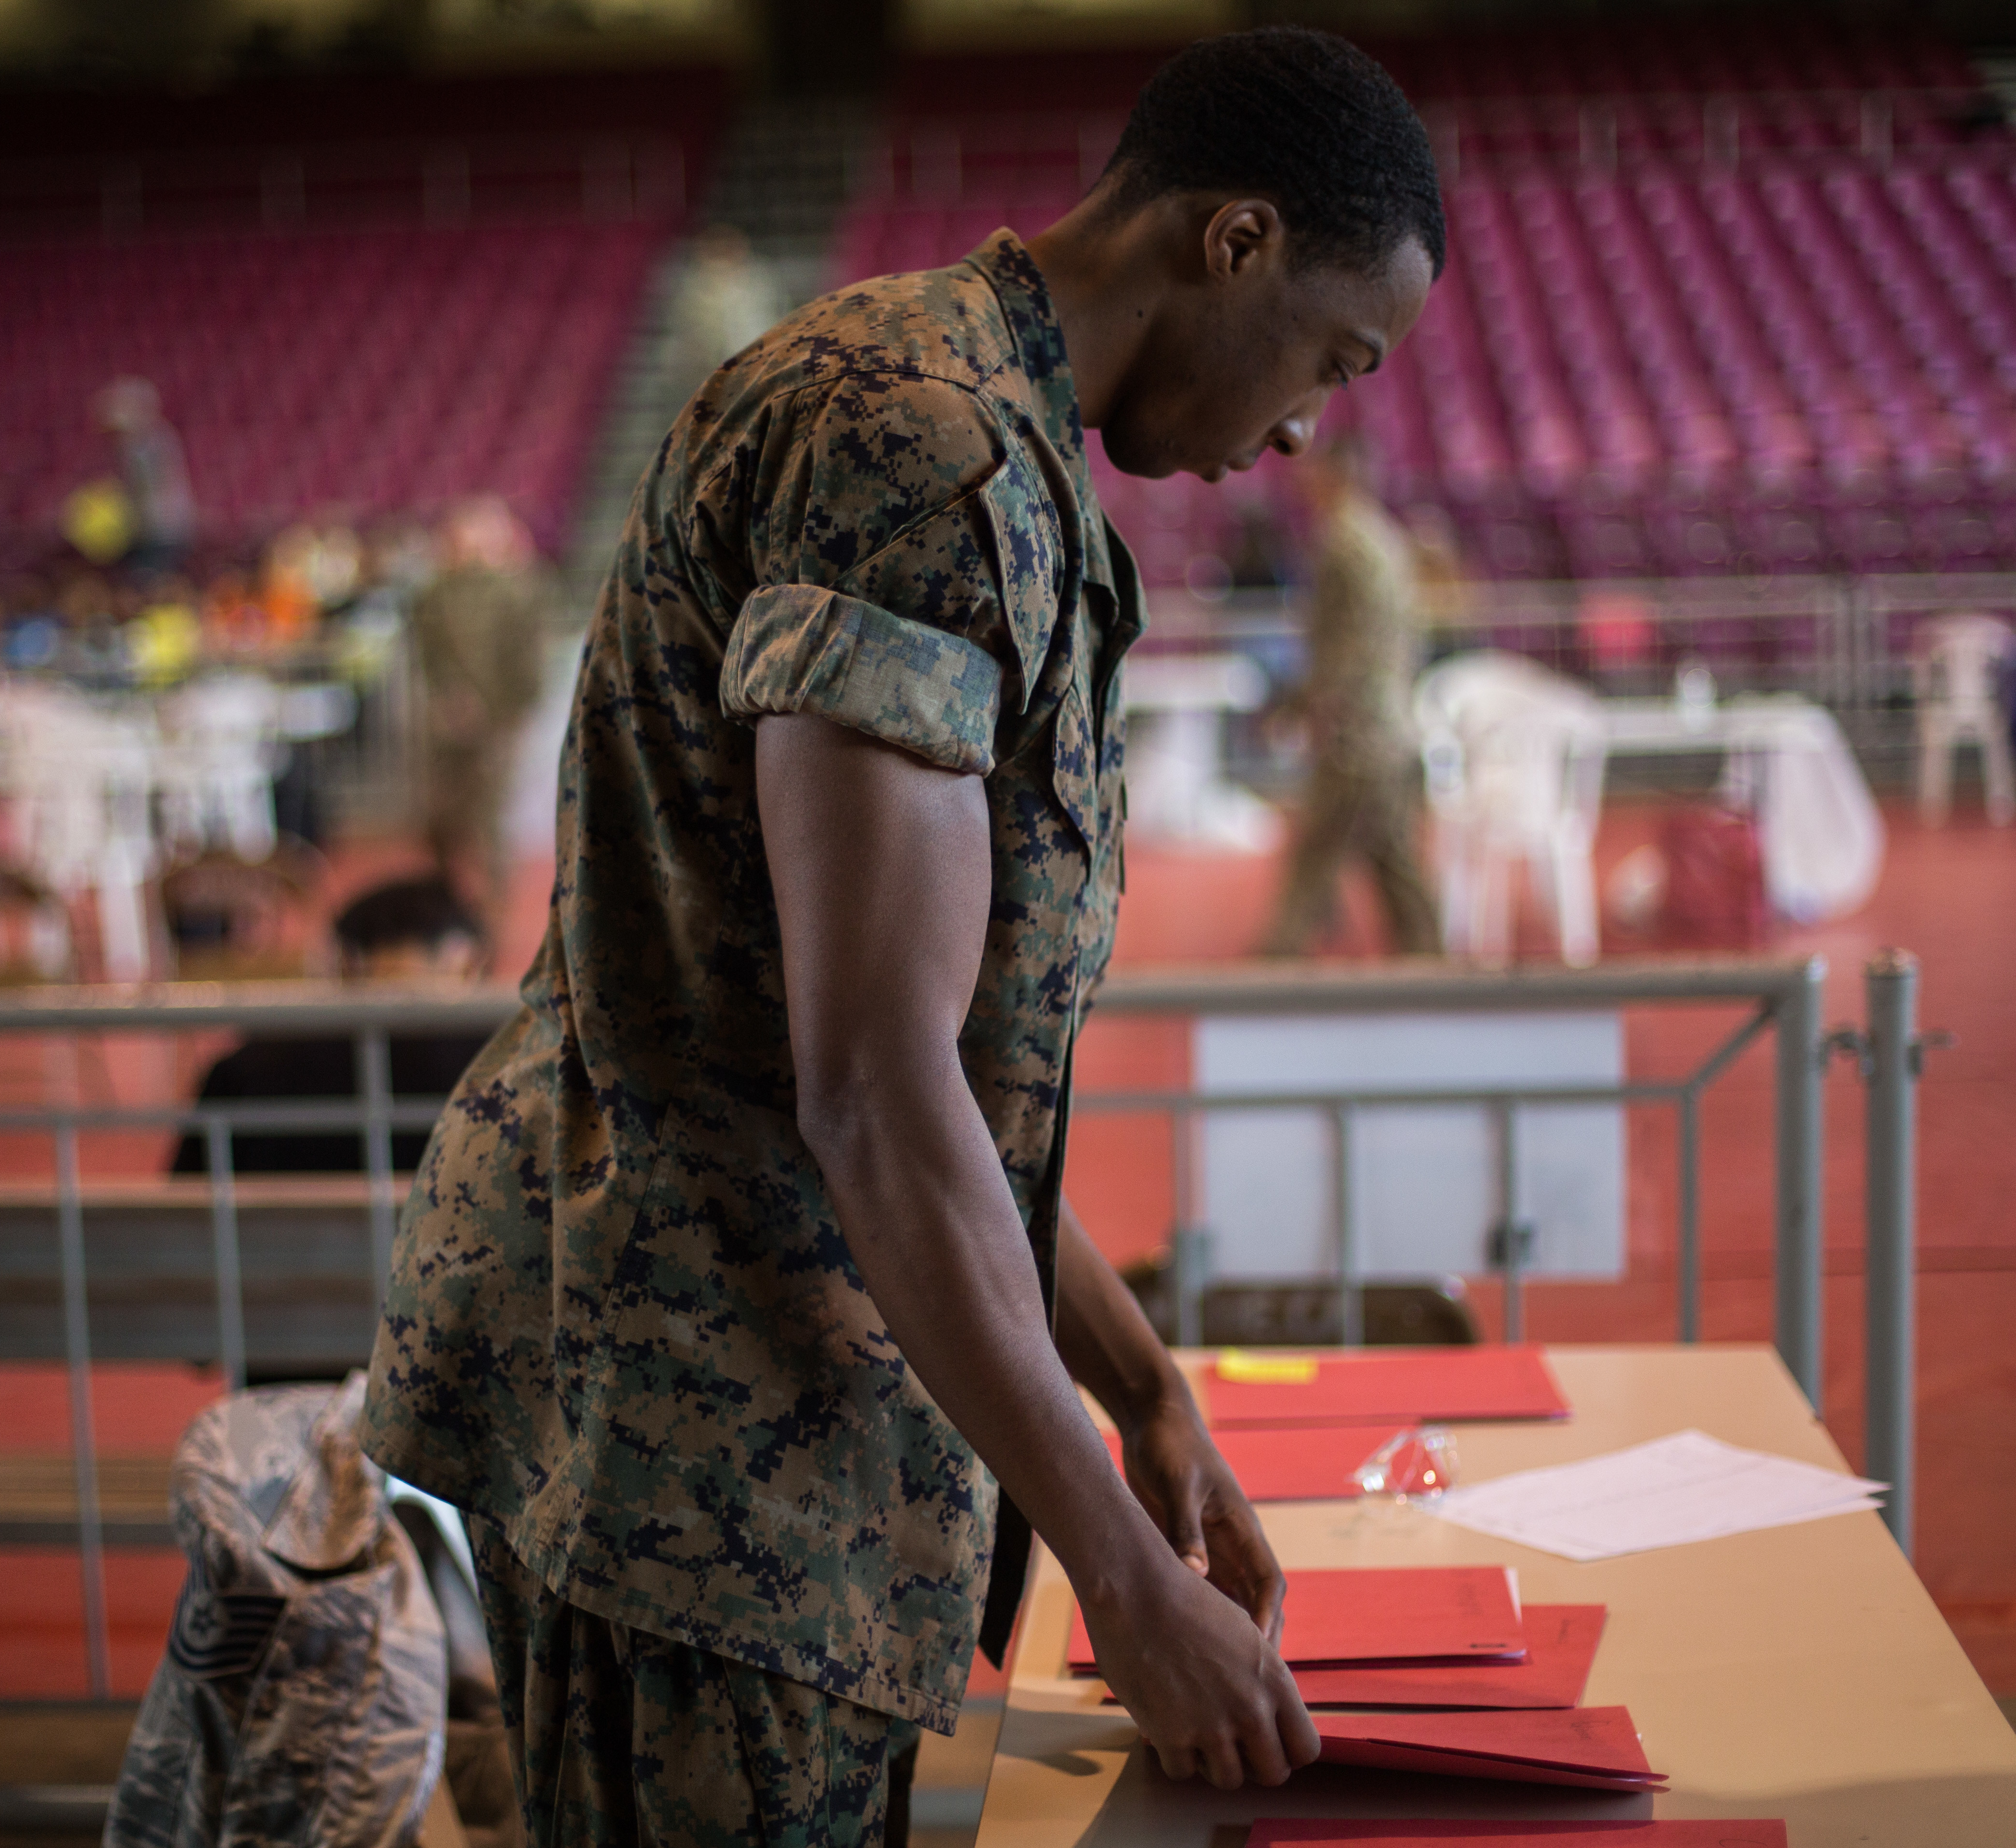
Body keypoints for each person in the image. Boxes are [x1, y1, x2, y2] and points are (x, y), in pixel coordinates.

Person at [359, 26, 1440, 1847]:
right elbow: (868, 1083)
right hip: (693, 1422)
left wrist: (1142, 1387)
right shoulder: (918, 453)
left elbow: (937, 1068)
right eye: (1331, 358)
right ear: (1233, 241)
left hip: (736, 1379)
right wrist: (1117, 1570)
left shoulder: (966, 420)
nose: (1302, 429)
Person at [168, 876, 496, 1178]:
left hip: (273, 1241)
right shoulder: (517, 1064)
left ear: (345, 964)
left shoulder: (247, 1070)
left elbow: (182, 1210)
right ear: (470, 963)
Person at [1262, 444, 1443, 957]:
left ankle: (1277, 965)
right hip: (1385, 722)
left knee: (1318, 854)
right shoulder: (1382, 537)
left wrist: (1311, 705)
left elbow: (1347, 645)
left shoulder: (1344, 542)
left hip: (1358, 730)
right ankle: (1429, 958)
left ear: (1334, 476)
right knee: (1390, 856)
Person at [410, 496, 549, 905]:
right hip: (447, 724)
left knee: (491, 822)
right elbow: (429, 652)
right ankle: (445, 897)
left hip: (500, 723)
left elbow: (528, 661)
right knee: (441, 819)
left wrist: (507, 716)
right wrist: (451, 698)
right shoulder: (436, 592)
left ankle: (492, 921)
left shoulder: (520, 589)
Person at [663, 222, 787, 397]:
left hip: (752, 366)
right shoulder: (693, 286)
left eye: (726, 249)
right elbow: (688, 333)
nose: (720, 256)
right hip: (704, 373)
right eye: (714, 251)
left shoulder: (759, 280)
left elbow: (770, 322)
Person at [95, 377, 196, 571]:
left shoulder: (145, 445)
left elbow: (144, 491)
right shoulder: (154, 439)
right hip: (160, 530)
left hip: (161, 531)